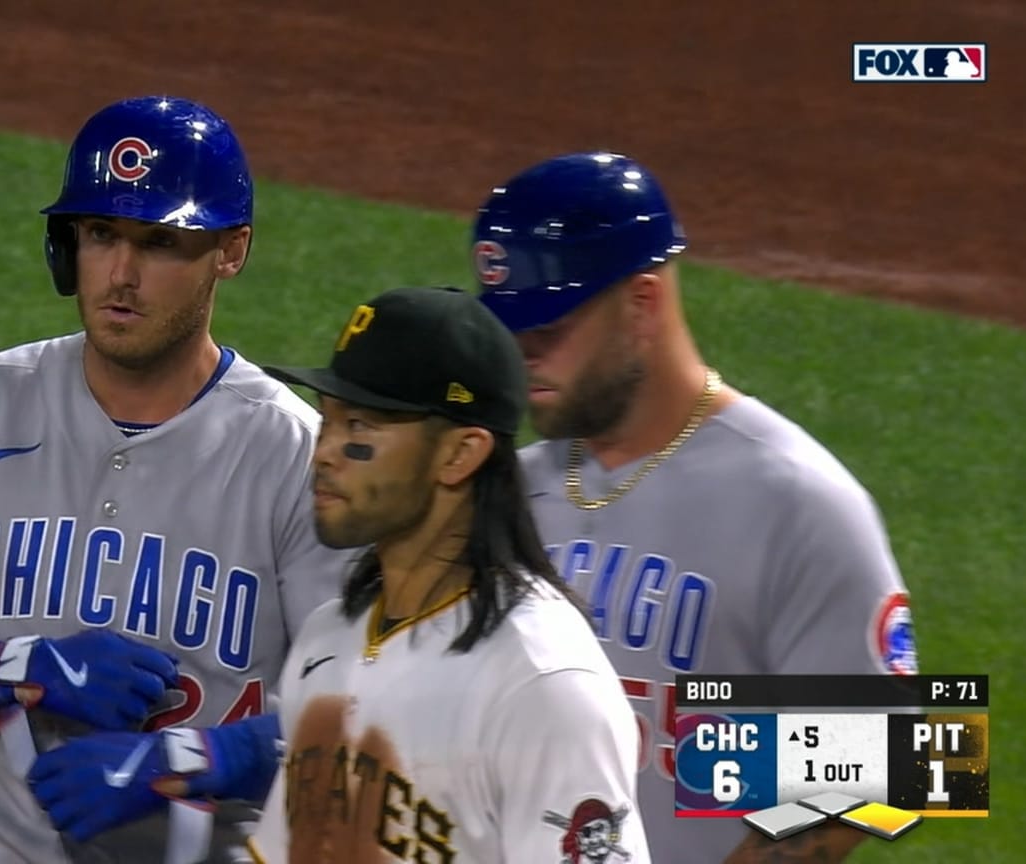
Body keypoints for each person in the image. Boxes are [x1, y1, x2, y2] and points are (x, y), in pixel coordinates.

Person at [0, 94, 354, 864]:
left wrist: (187, 762)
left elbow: (359, 718)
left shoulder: (295, 457)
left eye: (160, 241)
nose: (122, 275)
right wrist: (9, 666)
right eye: (100, 235)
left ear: (231, 251)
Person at [470, 151, 918, 864]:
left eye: (547, 330)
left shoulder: (797, 499)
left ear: (641, 302)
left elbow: (886, 766)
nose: (523, 358)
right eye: (509, 332)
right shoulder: (512, 488)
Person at [247, 286, 650, 863]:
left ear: (460, 454)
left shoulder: (541, 681)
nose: (325, 452)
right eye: (329, 421)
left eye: (360, 426)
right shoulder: (328, 637)